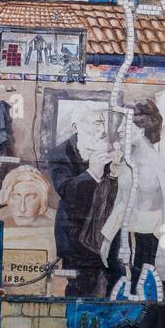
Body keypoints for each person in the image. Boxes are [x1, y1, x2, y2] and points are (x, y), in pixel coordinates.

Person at [100, 99, 165, 301]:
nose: (119, 132)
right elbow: (121, 201)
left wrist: (162, 255)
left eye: (125, 129)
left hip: (150, 244)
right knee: (118, 292)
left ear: (142, 131)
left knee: (146, 297)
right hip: (123, 239)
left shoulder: (162, 167)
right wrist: (108, 238)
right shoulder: (128, 164)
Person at [43, 108, 120, 296]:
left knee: (115, 284)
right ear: (77, 127)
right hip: (75, 235)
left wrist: (116, 173)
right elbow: (66, 191)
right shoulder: (59, 154)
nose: (102, 130)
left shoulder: (111, 149)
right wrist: (93, 173)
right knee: (81, 288)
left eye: (102, 122)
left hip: (107, 232)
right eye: (96, 123)